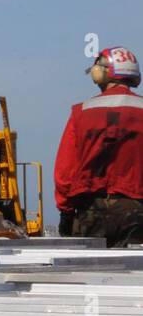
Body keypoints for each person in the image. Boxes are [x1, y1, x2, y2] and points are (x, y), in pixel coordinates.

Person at [54, 46, 143, 246]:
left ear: (100, 72)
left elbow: (65, 172)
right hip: (138, 212)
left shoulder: (81, 112)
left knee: (92, 273)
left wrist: (66, 212)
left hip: (91, 212)